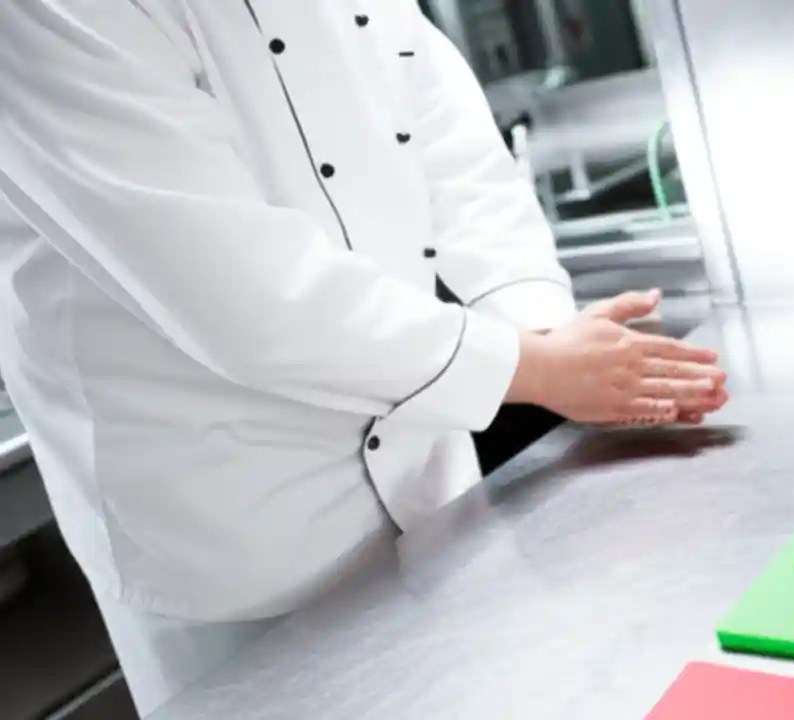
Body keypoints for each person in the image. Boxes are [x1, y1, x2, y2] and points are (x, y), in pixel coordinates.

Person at [0, 2, 728, 714]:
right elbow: (236, 291)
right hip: (235, 533)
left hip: (434, 489)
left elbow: (450, 150)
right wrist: (533, 370)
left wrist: (541, 328)